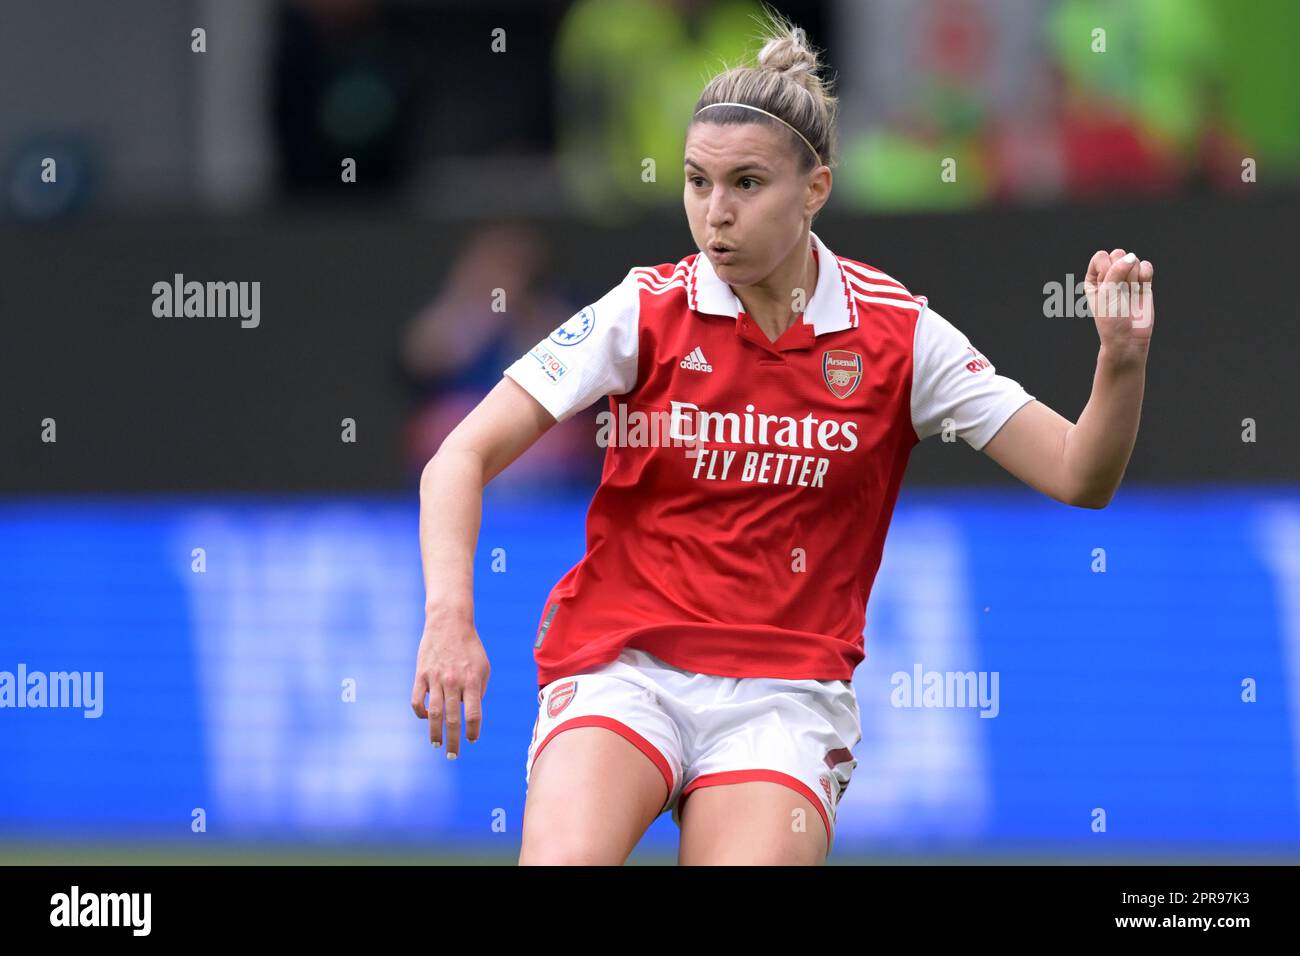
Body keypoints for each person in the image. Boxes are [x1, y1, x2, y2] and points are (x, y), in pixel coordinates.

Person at [410, 9, 1155, 866]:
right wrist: (449, 619)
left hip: (784, 699)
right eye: (697, 182)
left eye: (746, 185)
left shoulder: (898, 336)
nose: (714, 215)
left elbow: (1077, 474)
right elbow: (458, 457)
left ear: (816, 190)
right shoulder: (645, 309)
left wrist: (1121, 364)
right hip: (625, 667)